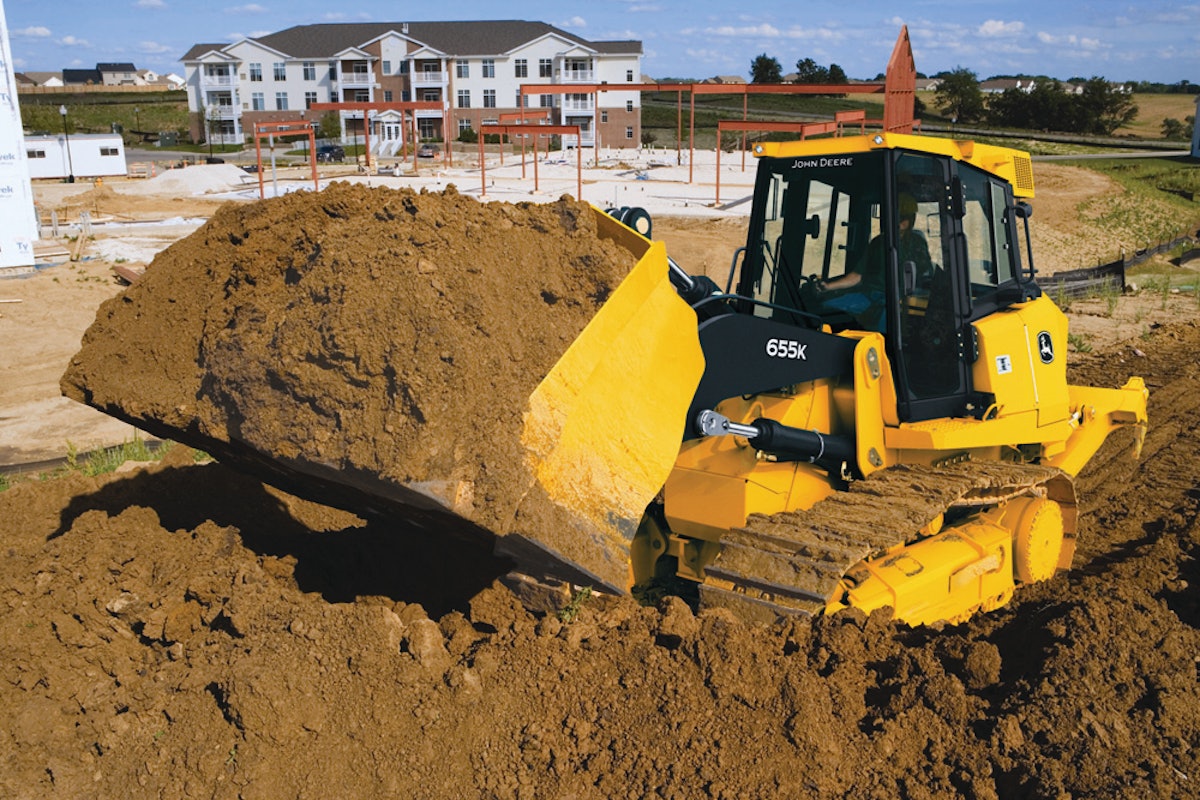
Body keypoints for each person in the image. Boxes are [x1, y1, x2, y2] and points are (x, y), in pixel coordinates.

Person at [815, 193, 931, 332]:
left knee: (885, 331)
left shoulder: (917, 244)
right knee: (825, 311)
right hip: (868, 296)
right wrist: (828, 286)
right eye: (896, 216)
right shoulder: (878, 242)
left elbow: (924, 274)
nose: (900, 222)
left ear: (911, 219)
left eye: (903, 217)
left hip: (895, 300)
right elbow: (857, 276)